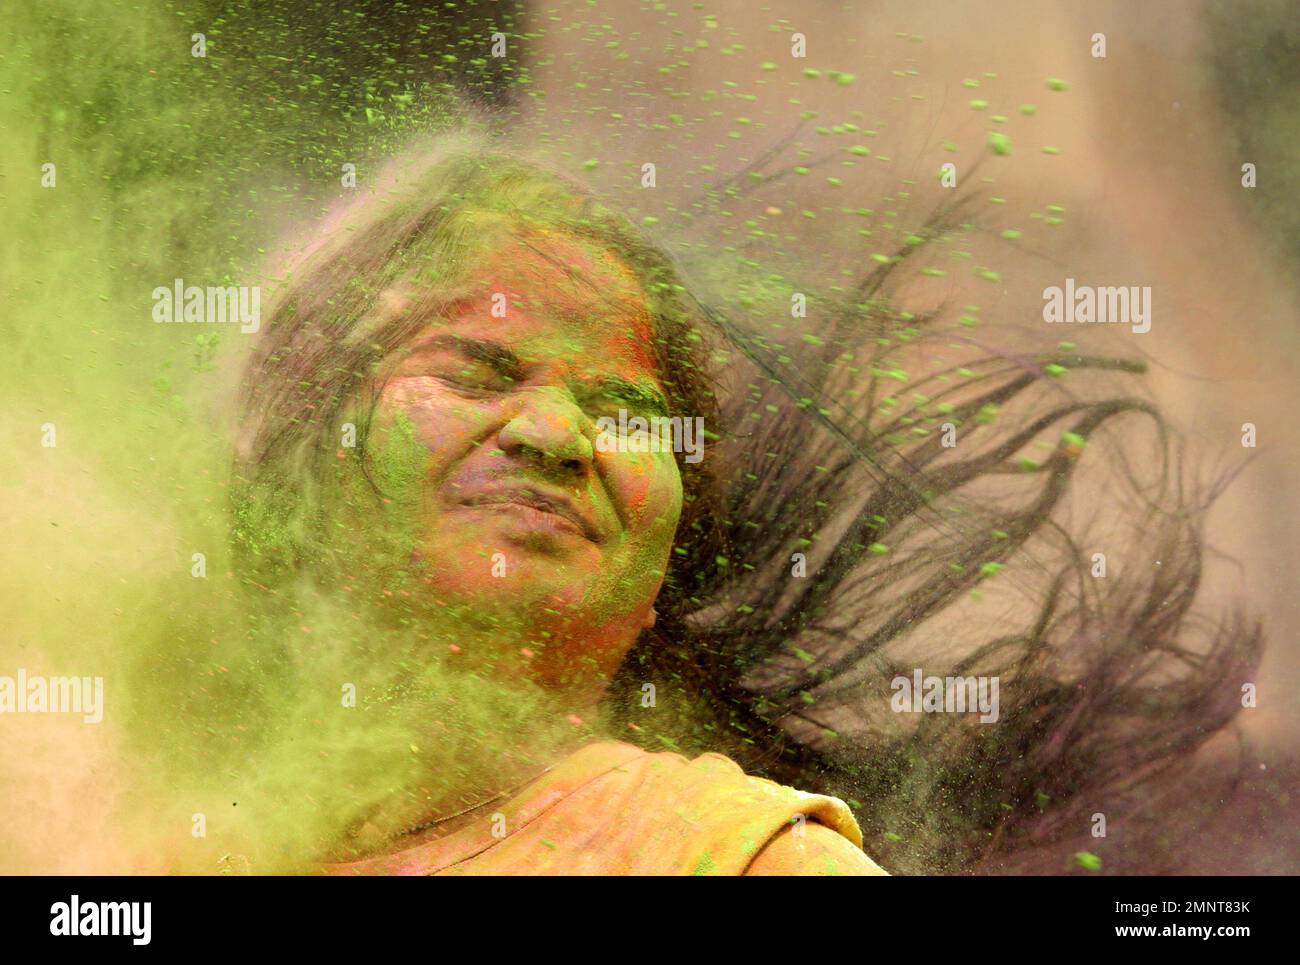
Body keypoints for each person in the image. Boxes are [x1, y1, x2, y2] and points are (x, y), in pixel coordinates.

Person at [230, 136, 885, 874]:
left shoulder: (741, 859)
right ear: (295, 470)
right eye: (474, 373)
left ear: (659, 581)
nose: (554, 433)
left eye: (624, 414)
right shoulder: (115, 799)